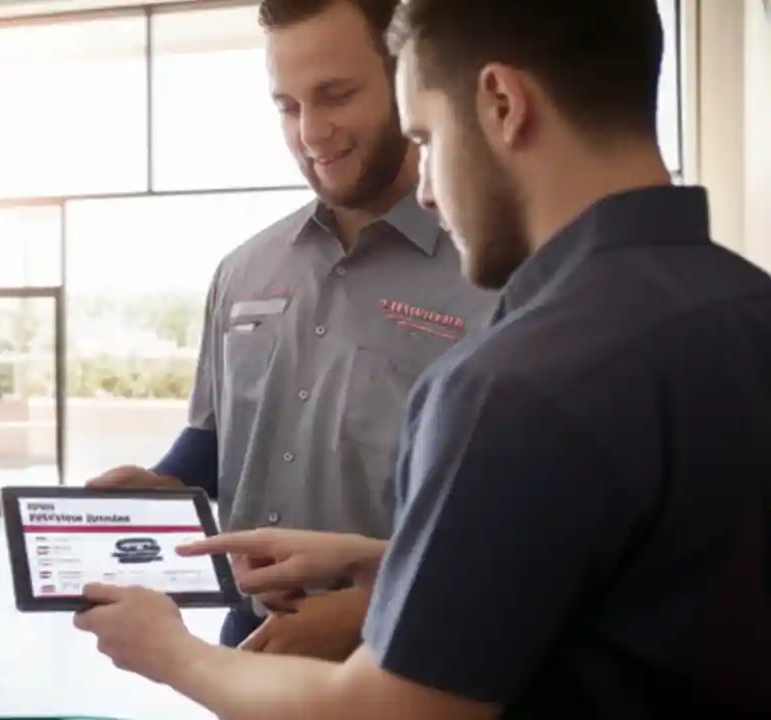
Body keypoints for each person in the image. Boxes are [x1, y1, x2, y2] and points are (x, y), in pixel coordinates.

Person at [72, 0, 771, 717]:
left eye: (426, 138)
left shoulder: (518, 377)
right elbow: (630, 581)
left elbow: (391, 710)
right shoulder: (747, 307)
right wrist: (385, 567)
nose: (429, 190)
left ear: (503, 104)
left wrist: (170, 650)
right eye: (288, 105)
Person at [87, 0, 496, 658]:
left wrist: (370, 610)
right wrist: (162, 489)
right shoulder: (243, 271)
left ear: (407, 81)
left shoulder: (493, 275)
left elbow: (517, 523)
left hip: (409, 660)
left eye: (336, 96)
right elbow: (217, 439)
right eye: (287, 105)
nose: (311, 132)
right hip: (248, 647)